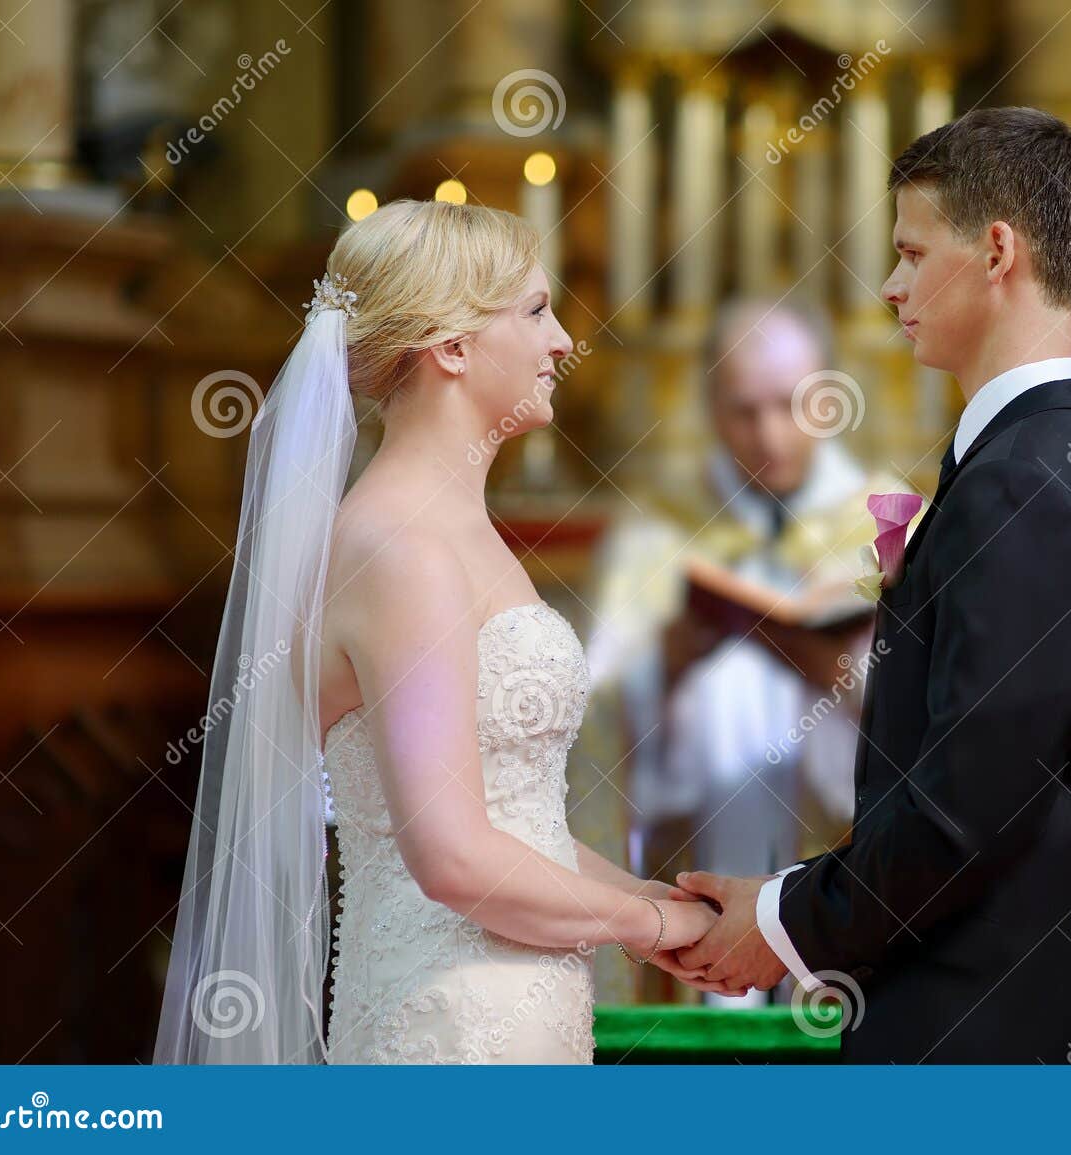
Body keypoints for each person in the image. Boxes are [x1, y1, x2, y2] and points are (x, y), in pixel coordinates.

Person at [666, 107, 1071, 1064]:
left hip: (995, 1044)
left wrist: (780, 919)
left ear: (997, 251)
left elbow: (964, 814)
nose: (890, 284)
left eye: (912, 252)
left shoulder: (1023, 484)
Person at [154, 200, 727, 1066]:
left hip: (514, 1007)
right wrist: (646, 923)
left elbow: (513, 822)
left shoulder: (454, 532)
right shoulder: (403, 550)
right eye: (536, 311)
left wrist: (651, 902)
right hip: (451, 1025)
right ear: (452, 347)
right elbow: (452, 857)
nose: (562, 342)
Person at [582, 300, 910, 1006]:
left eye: (791, 405)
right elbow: (595, 713)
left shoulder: (885, 517)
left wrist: (841, 673)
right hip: (691, 852)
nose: (769, 435)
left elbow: (938, 706)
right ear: (712, 407)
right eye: (744, 411)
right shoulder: (659, 525)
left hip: (842, 858)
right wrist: (667, 666)